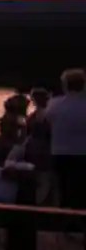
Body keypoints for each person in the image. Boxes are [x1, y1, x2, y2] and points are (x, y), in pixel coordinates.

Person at [45, 68, 86, 209]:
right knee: (80, 192)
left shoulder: (54, 104)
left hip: (59, 153)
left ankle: (63, 220)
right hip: (82, 154)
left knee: (61, 190)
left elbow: (46, 121)